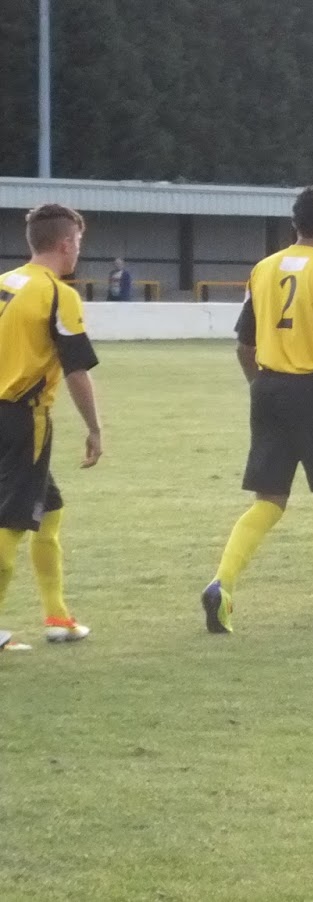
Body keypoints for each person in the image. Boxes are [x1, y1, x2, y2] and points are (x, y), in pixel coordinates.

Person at [202, 186, 313, 632]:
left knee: (268, 501)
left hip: (268, 388)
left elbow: (244, 346)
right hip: (312, 392)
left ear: (294, 224)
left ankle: (221, 584)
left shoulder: (262, 270)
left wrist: (262, 387)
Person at [0, 204, 104, 651]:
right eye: (78, 243)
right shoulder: (58, 295)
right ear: (65, 244)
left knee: (50, 510)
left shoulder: (7, 281)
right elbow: (77, 369)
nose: (78, 251)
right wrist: (95, 429)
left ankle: (58, 617)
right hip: (24, 415)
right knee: (13, 519)